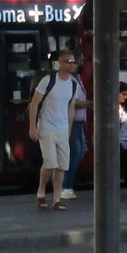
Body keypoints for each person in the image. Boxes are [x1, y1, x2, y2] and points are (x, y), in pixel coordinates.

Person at [27, 47, 87, 211]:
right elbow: (34, 104)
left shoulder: (73, 84)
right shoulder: (48, 80)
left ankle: (56, 199)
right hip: (46, 126)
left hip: (63, 128)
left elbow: (71, 108)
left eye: (73, 62)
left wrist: (69, 128)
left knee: (62, 165)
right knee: (50, 163)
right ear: (60, 63)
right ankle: (41, 192)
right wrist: (32, 127)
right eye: (68, 61)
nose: (71, 64)